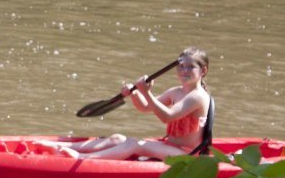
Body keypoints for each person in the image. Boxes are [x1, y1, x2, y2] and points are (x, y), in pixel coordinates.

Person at [52, 47, 212, 160]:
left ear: (203, 71)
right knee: (118, 138)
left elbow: (167, 117)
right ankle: (61, 147)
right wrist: (135, 93)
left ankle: (82, 158)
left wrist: (146, 92)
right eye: (181, 66)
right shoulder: (175, 92)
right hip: (169, 147)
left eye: (191, 67)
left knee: (135, 145)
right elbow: (145, 107)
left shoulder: (197, 97)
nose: (184, 71)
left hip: (187, 155)